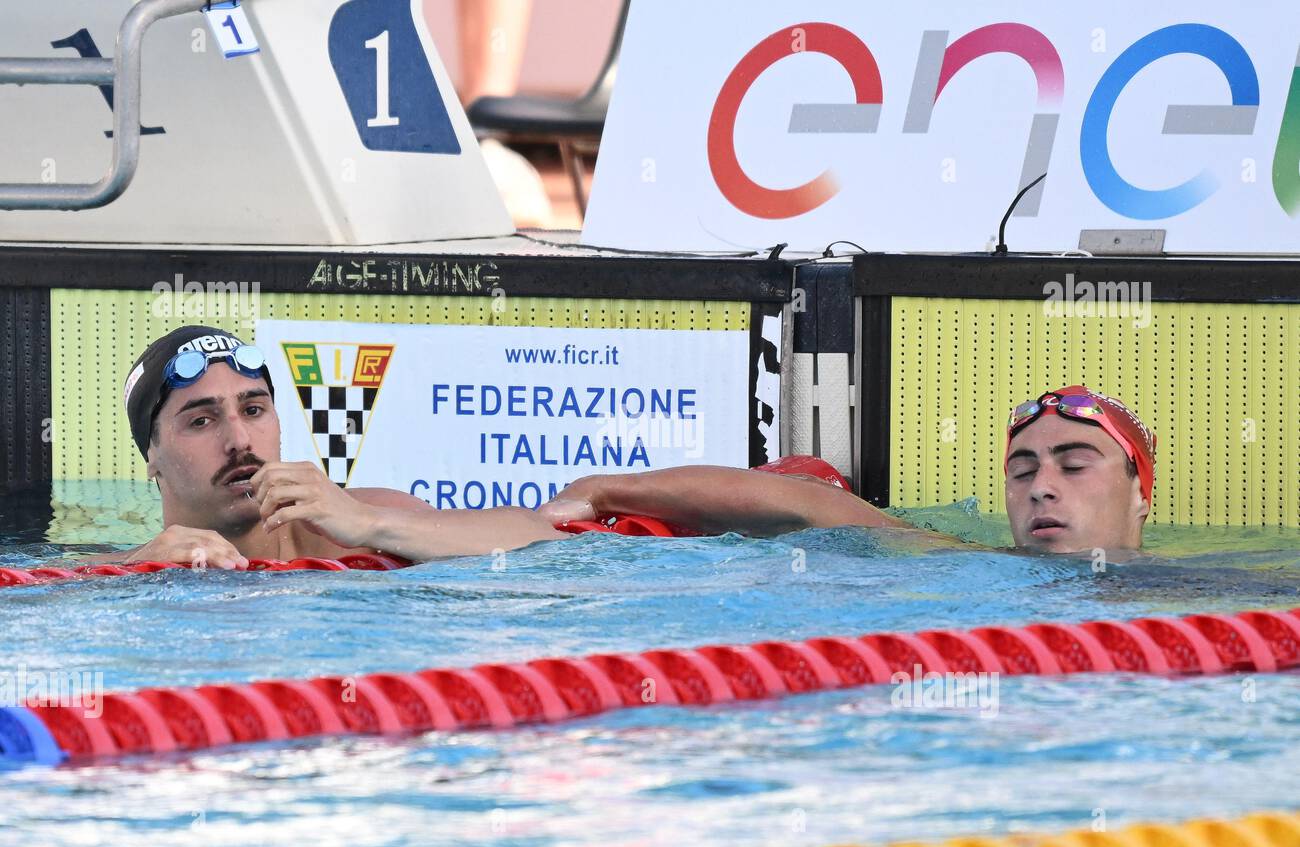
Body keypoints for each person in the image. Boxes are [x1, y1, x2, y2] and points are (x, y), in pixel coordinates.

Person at [114, 326, 565, 569]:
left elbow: (542, 542)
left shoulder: (352, 523)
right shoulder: (135, 567)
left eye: (253, 410)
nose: (239, 441)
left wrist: (367, 523)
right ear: (151, 456)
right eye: (201, 420)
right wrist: (136, 572)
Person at [539, 386, 1158, 558]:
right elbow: (800, 503)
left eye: (1075, 464)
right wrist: (603, 489)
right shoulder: (959, 559)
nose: (1043, 486)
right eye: (1021, 472)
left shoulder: (1207, 588)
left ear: (1140, 496)